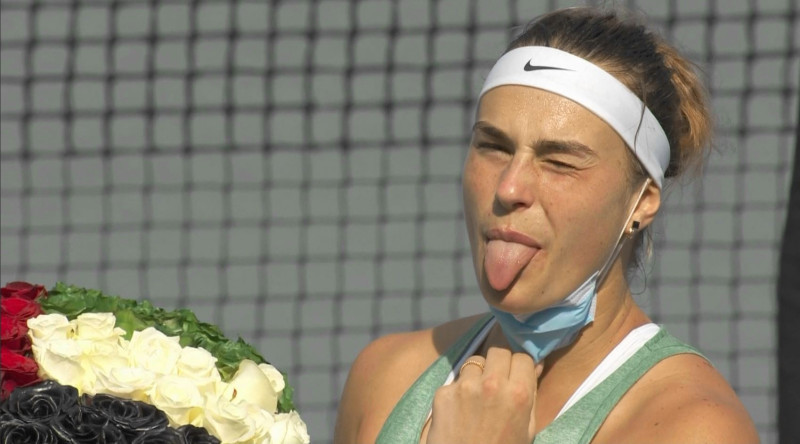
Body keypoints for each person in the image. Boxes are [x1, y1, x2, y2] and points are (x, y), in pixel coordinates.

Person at [334, 6, 759, 444]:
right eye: (493, 146)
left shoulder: (695, 428)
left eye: (559, 162)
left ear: (642, 201)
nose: (509, 187)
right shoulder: (385, 376)